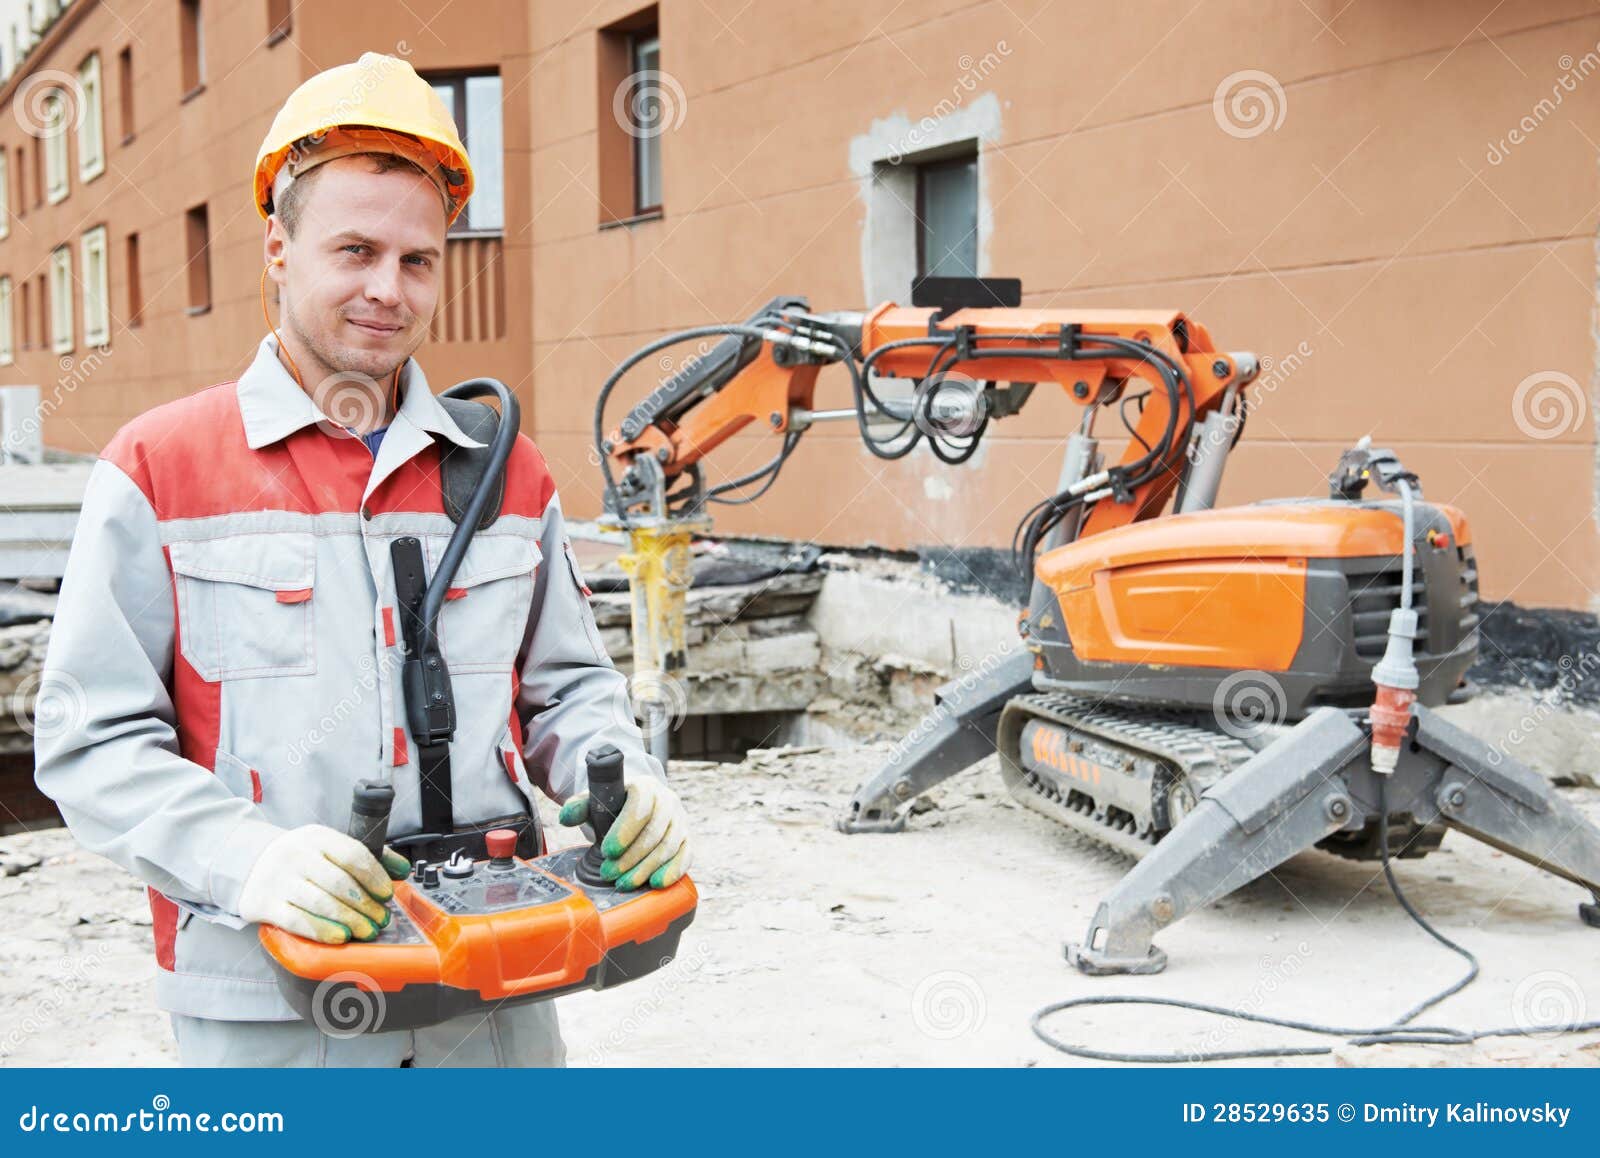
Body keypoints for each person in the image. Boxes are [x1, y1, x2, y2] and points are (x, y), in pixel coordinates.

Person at [33, 53, 691, 1068]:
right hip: (272, 1002)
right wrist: (249, 862)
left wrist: (629, 782)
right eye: (355, 251)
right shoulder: (161, 469)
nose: (389, 289)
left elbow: (569, 691)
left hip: (496, 991)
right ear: (278, 248)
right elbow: (90, 741)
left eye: (418, 260)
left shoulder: (505, 471)